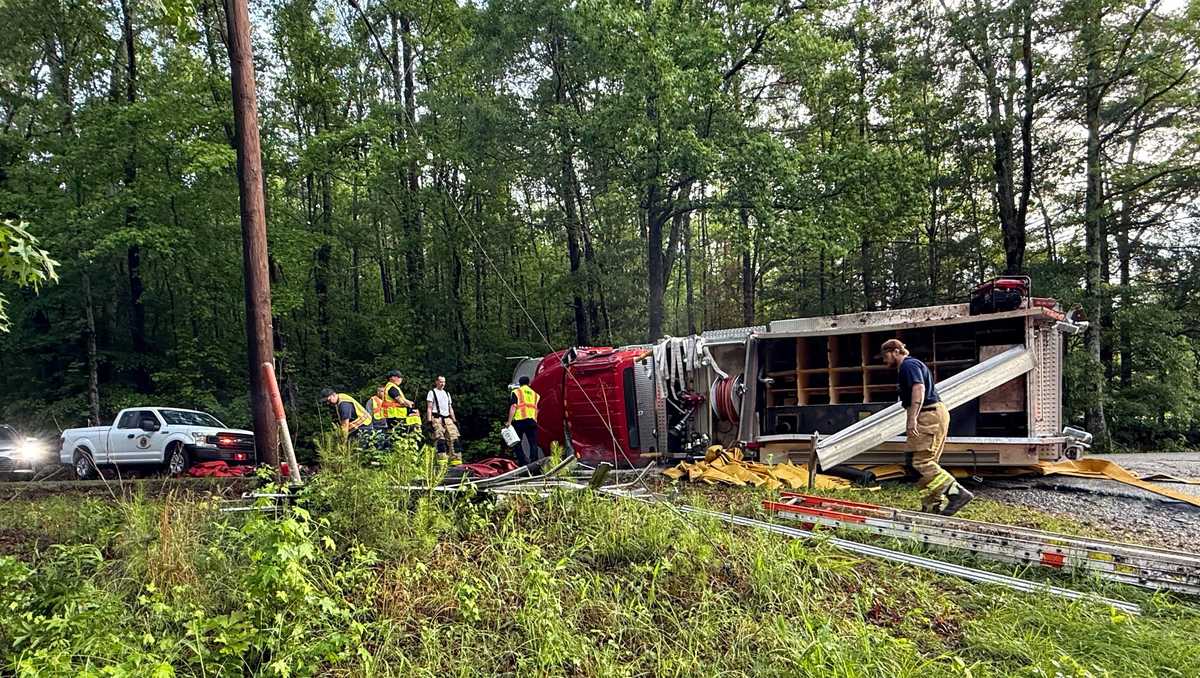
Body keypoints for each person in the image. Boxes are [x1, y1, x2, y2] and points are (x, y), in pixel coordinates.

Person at [880, 338, 974, 515]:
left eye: (885, 356)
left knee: (920, 462)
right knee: (917, 465)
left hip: (928, 414)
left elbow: (919, 389)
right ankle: (932, 506)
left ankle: (958, 494)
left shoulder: (908, 365)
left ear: (895, 352)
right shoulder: (908, 367)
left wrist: (912, 419)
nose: (885, 361)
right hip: (930, 414)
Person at [506, 375, 542, 466]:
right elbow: (536, 409)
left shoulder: (516, 392)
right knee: (533, 443)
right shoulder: (535, 395)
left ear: (519, 383)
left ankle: (523, 461)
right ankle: (534, 463)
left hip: (519, 421)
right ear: (529, 383)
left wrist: (509, 422)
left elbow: (513, 406)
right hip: (532, 421)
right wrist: (535, 420)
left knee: (516, 442)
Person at [426, 376, 461, 463]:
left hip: (447, 418)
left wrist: (454, 420)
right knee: (440, 439)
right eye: (441, 382)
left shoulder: (447, 393)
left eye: (444, 382)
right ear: (436, 382)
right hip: (437, 417)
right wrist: (429, 421)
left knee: (454, 438)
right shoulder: (432, 392)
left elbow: (450, 407)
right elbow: (429, 407)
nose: (443, 384)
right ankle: (441, 460)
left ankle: (455, 459)